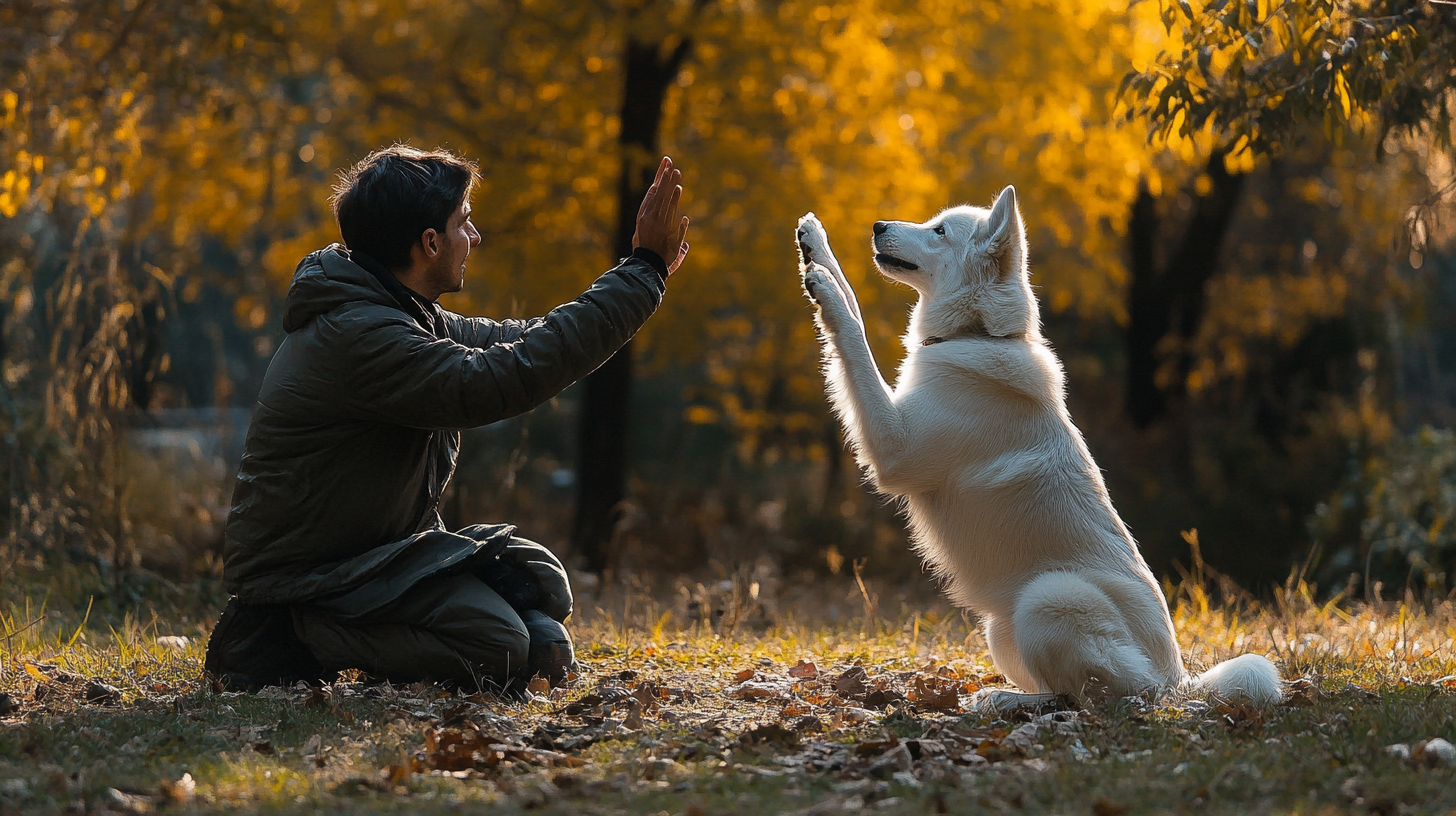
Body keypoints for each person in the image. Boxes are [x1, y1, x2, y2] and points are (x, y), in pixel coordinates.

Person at [204, 146, 689, 692]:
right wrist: (642, 273)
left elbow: (520, 341)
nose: (475, 237)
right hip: (309, 577)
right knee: (499, 645)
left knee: (541, 583)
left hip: (375, 560)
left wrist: (640, 278)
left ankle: (500, 641)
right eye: (465, 222)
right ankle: (282, 636)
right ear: (429, 243)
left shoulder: (401, 315)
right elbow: (497, 380)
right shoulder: (362, 337)